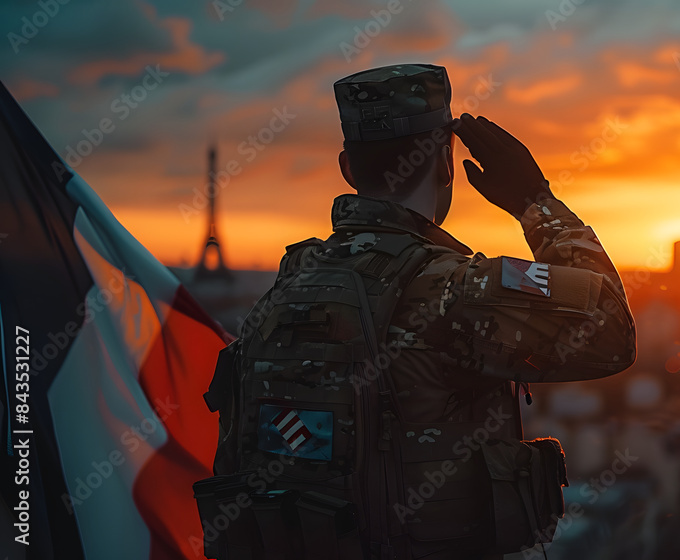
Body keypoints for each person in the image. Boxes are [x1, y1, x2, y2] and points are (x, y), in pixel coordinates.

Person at [196, 63, 636, 560]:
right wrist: (537, 202)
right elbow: (612, 332)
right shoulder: (453, 289)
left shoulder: (285, 285)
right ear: (448, 165)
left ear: (347, 168)